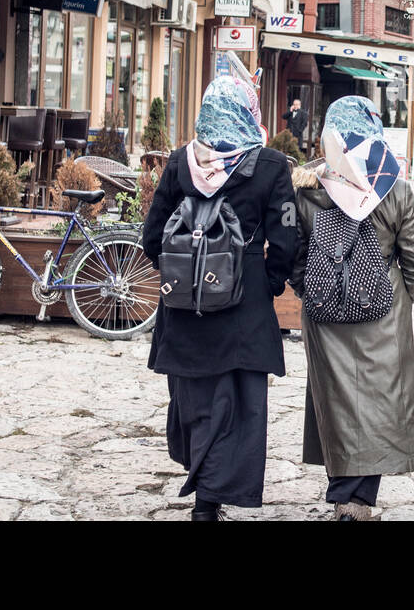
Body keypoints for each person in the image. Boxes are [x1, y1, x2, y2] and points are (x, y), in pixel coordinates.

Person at [140, 71, 297, 520]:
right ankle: (209, 498)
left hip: (185, 310)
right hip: (243, 308)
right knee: (238, 406)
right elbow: (286, 240)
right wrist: (267, 283)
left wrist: (181, 277)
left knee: (194, 399)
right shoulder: (269, 166)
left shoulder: (179, 162)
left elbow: (152, 235)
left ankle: (201, 485)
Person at [289, 96, 414, 521]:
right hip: (383, 309)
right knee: (381, 401)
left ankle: (342, 492)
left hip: (324, 308)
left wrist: (312, 290)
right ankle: (359, 500)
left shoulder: (308, 191)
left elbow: (296, 255)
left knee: (335, 400)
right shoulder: (397, 189)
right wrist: (405, 296)